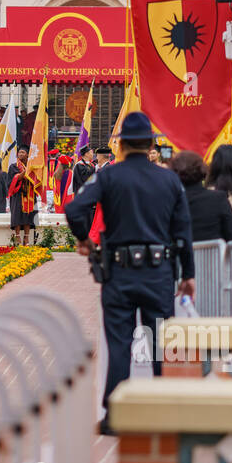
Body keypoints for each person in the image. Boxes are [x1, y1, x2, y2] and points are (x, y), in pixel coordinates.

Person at [65, 111, 194, 433]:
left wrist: (83, 239)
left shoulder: (109, 176)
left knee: (120, 342)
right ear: (150, 143)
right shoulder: (169, 179)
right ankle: (163, 413)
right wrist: (188, 274)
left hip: (119, 271)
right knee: (160, 342)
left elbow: (74, 208)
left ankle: (115, 415)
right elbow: (183, 230)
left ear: (121, 144)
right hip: (159, 271)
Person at [172, 150, 232, 243]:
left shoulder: (171, 203)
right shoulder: (218, 199)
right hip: (215, 256)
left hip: (183, 256)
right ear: (202, 170)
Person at [6, 145, 39, 245]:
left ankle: (26, 237)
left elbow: (36, 178)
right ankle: (17, 237)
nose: (20, 154)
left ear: (27, 154)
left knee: (28, 216)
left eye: (23, 152)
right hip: (17, 194)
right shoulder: (14, 166)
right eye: (19, 152)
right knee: (17, 216)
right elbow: (13, 180)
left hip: (29, 194)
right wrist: (25, 172)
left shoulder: (32, 166)